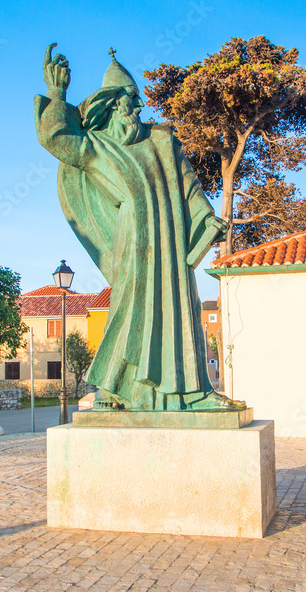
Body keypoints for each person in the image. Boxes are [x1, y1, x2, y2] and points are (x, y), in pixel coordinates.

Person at [35, 43, 244, 411]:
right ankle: (115, 389)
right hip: (133, 237)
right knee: (130, 308)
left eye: (137, 100)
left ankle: (191, 393)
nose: (137, 107)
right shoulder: (98, 146)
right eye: (131, 99)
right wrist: (57, 93)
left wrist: (206, 216)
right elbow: (57, 138)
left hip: (172, 233)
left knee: (180, 307)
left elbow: (189, 184)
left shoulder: (162, 140)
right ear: (113, 103)